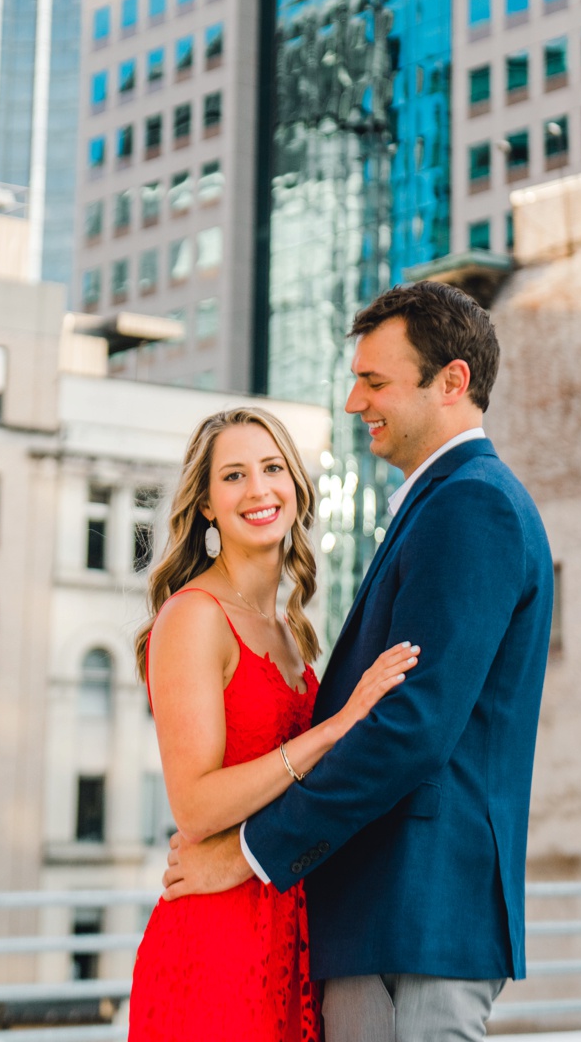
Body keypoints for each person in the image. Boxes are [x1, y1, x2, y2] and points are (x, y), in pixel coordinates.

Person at [162, 280, 554, 1042]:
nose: (353, 402)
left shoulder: (471, 504)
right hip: (374, 917)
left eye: (374, 381)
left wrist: (251, 855)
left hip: (417, 910)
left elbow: (412, 727)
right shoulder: (437, 500)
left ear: (451, 382)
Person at [128, 405, 419, 1042]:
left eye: (272, 468)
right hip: (219, 941)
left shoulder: (291, 630)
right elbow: (197, 806)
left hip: (296, 928)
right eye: (233, 476)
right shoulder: (194, 616)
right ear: (205, 504)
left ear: (296, 483)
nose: (259, 490)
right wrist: (334, 728)